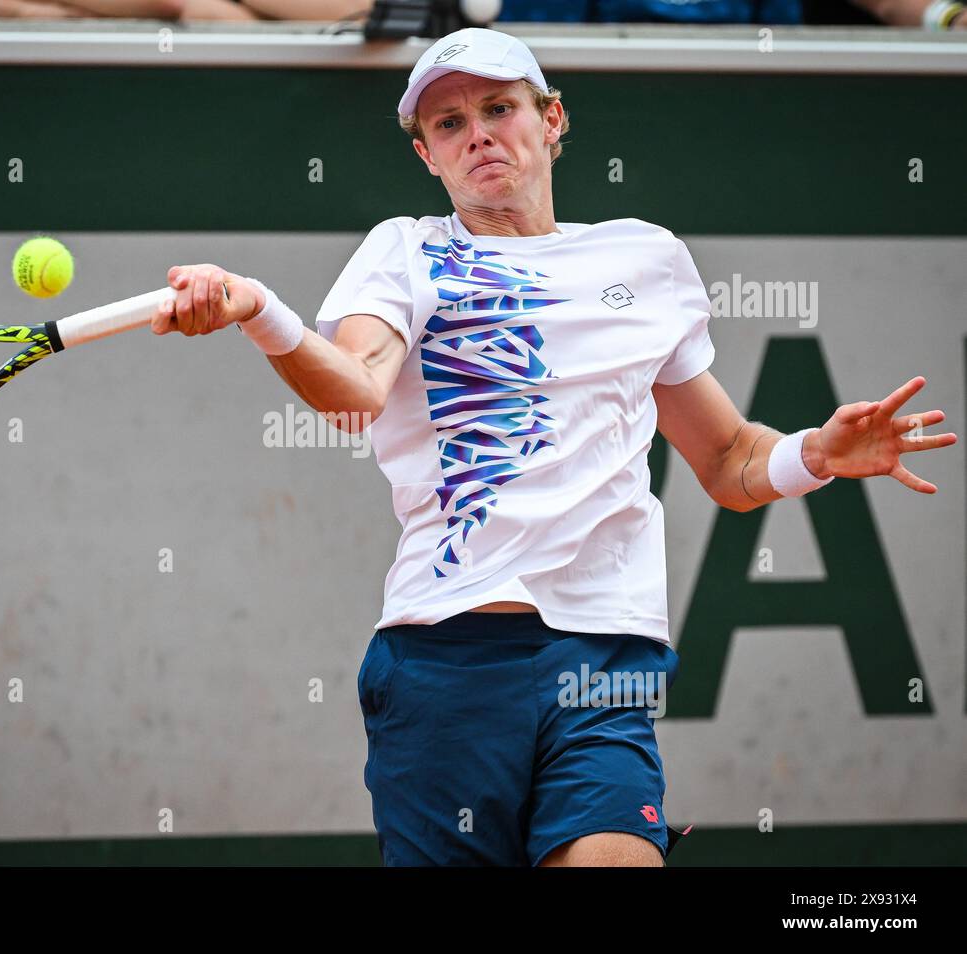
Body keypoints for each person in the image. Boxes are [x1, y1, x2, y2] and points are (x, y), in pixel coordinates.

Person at [153, 27, 956, 865]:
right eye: (450, 125)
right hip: (444, 663)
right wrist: (261, 312)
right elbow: (356, 388)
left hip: (605, 660)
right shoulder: (406, 251)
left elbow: (726, 461)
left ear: (552, 119)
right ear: (428, 156)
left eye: (499, 109)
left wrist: (815, 455)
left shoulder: (647, 258)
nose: (479, 136)